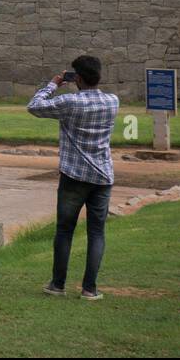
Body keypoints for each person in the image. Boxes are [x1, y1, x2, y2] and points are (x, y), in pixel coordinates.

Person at [26, 55, 119, 300]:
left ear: (76, 78)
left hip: (74, 176)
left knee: (65, 230)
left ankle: (58, 284)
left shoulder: (70, 102)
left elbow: (34, 106)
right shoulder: (113, 101)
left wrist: (53, 84)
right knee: (96, 233)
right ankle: (90, 288)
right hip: (102, 177)